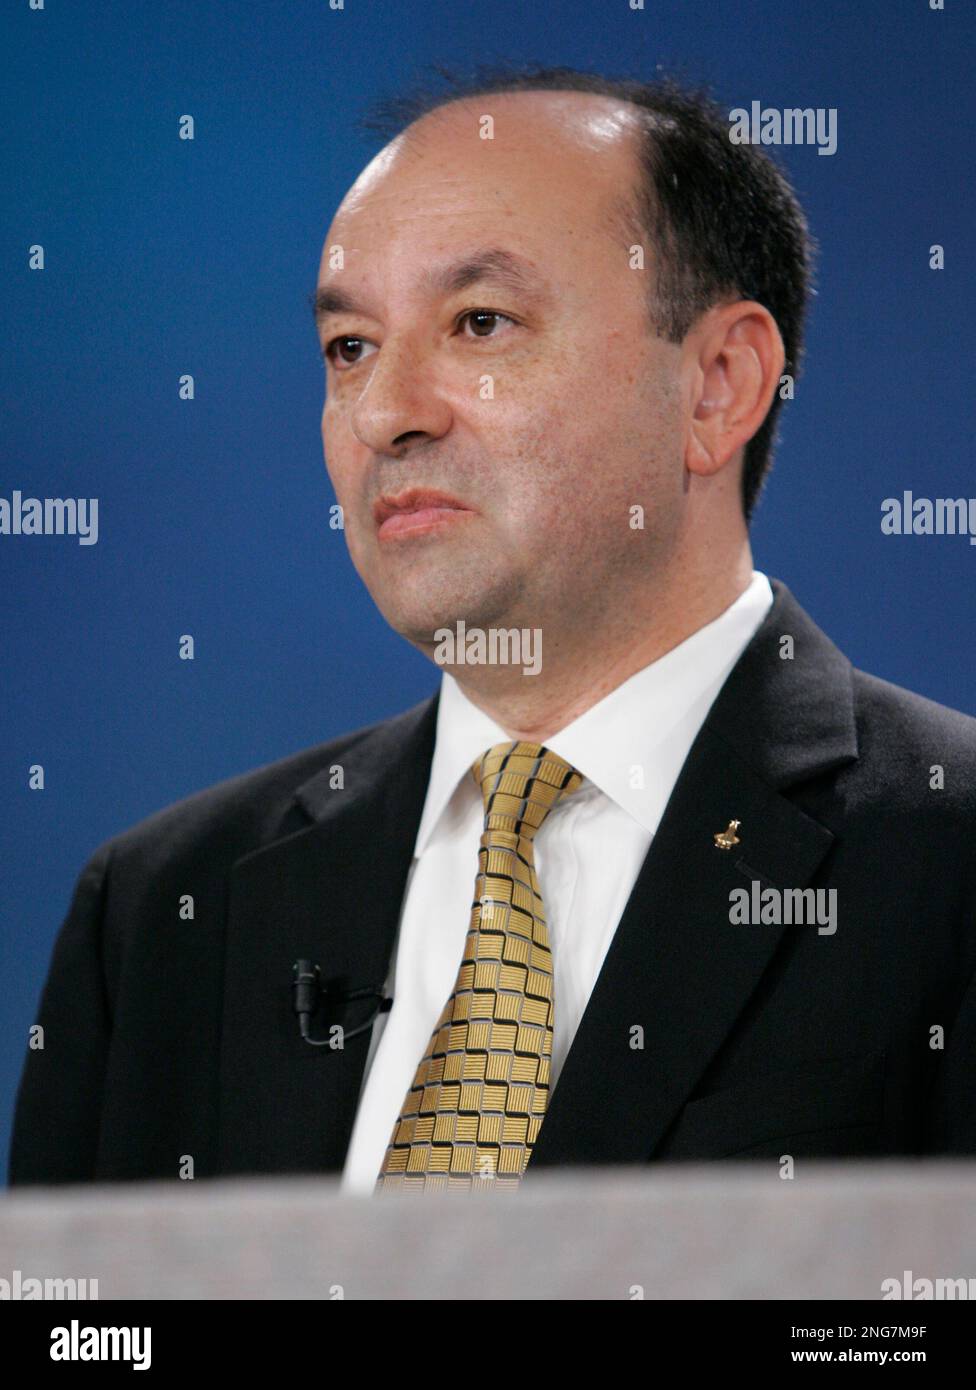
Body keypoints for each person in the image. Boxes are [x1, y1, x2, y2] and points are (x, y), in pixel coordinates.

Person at [10, 68, 976, 1195]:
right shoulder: (163, 911)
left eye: (479, 323)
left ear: (717, 385)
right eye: (350, 348)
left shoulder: (945, 860)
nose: (384, 413)